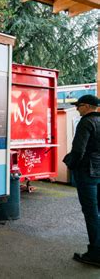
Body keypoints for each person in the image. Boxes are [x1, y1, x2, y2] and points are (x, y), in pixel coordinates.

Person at [63, 94, 100, 266]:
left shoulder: (86, 122)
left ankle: (95, 254)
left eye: (78, 106)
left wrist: (71, 164)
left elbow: (78, 150)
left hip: (87, 173)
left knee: (91, 213)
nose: (77, 109)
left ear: (86, 106)